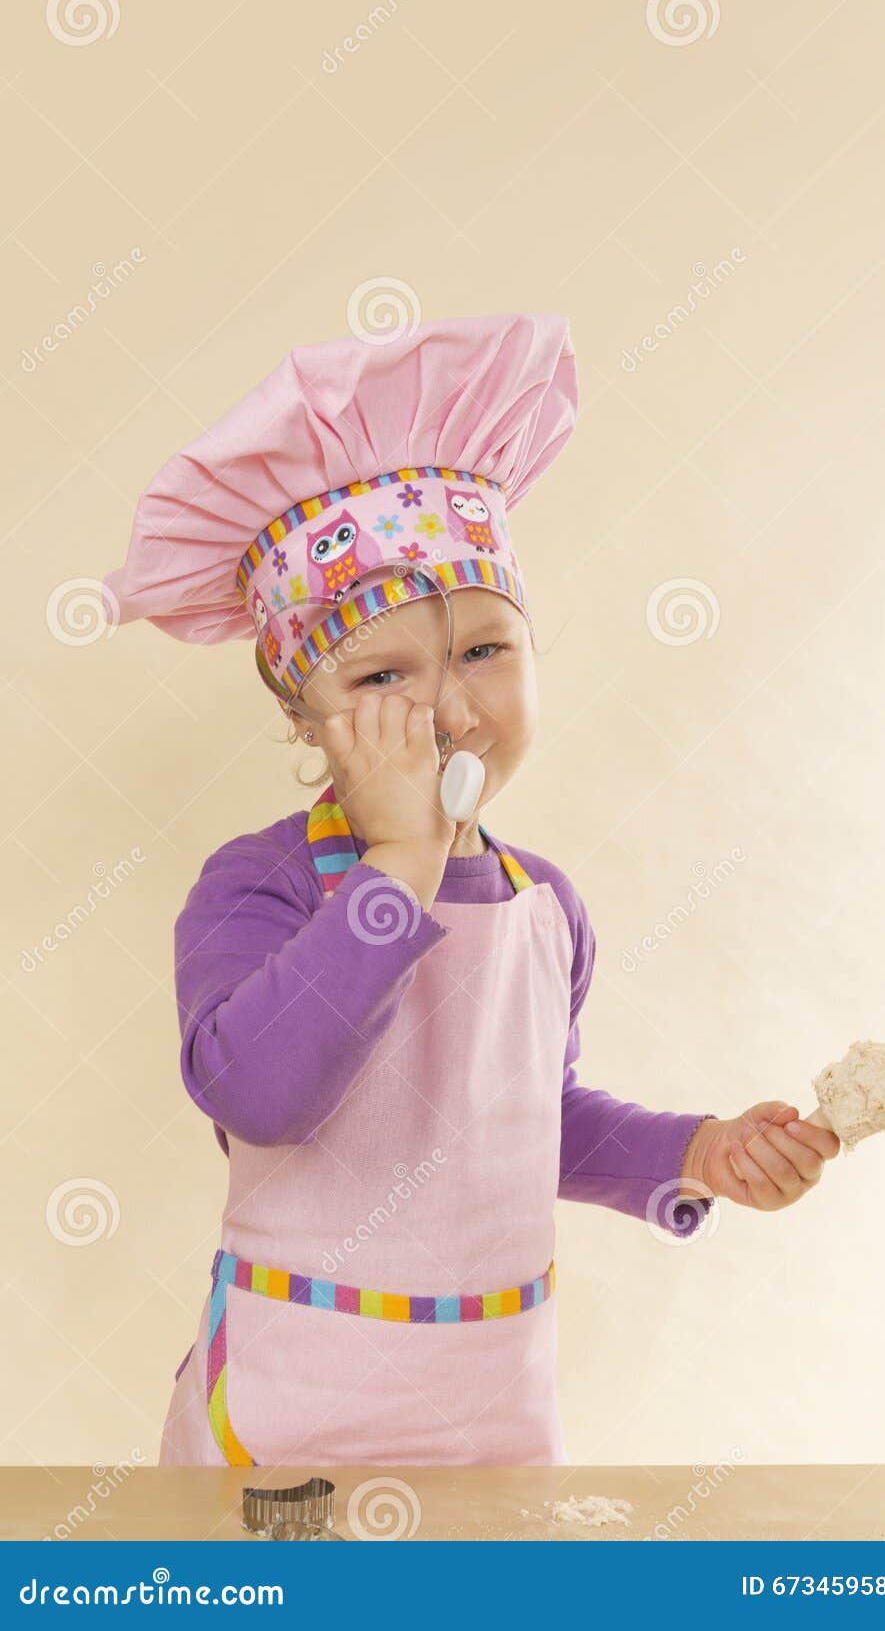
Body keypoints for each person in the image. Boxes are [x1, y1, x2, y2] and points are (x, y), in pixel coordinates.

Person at [102, 312, 840, 1468]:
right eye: (382, 673)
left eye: (484, 651)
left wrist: (693, 1151)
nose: (447, 708)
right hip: (294, 1417)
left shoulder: (539, 903)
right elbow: (260, 1095)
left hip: (488, 1419)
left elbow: (521, 1129)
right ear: (306, 713)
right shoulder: (260, 884)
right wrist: (394, 866)